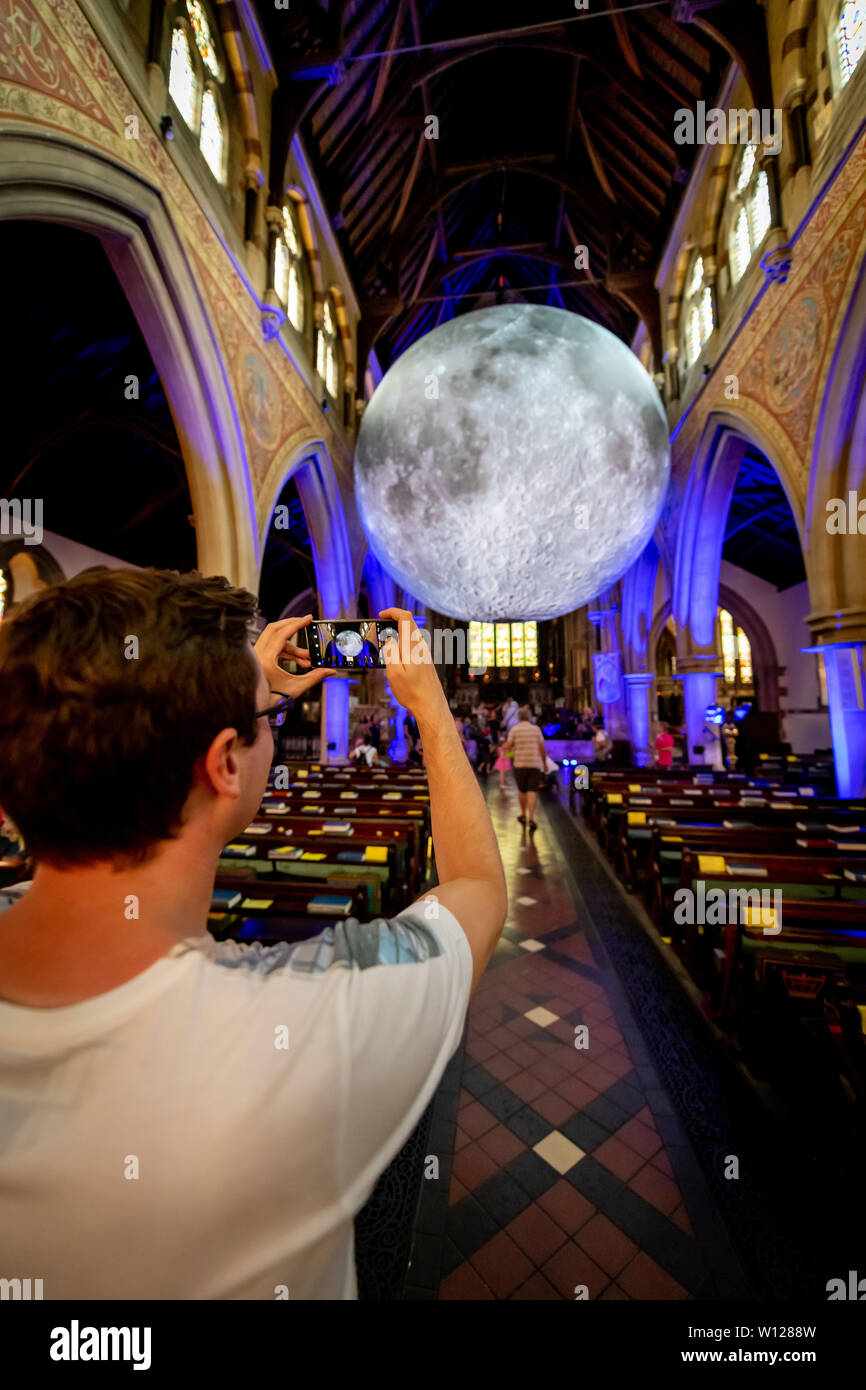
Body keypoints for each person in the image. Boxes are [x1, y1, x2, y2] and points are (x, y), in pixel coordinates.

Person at [0, 574, 506, 1299]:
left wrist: (242, 691)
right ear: (225, 763)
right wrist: (428, 708)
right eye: (265, 722)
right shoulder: (317, 1018)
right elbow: (480, 893)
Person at [503, 706, 546, 831]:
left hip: (520, 764)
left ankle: (523, 815)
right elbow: (541, 748)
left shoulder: (515, 730)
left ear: (518, 717)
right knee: (532, 791)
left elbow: (509, 745)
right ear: (529, 717)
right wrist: (544, 762)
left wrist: (503, 747)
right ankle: (532, 818)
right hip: (534, 763)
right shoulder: (536, 729)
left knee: (522, 791)